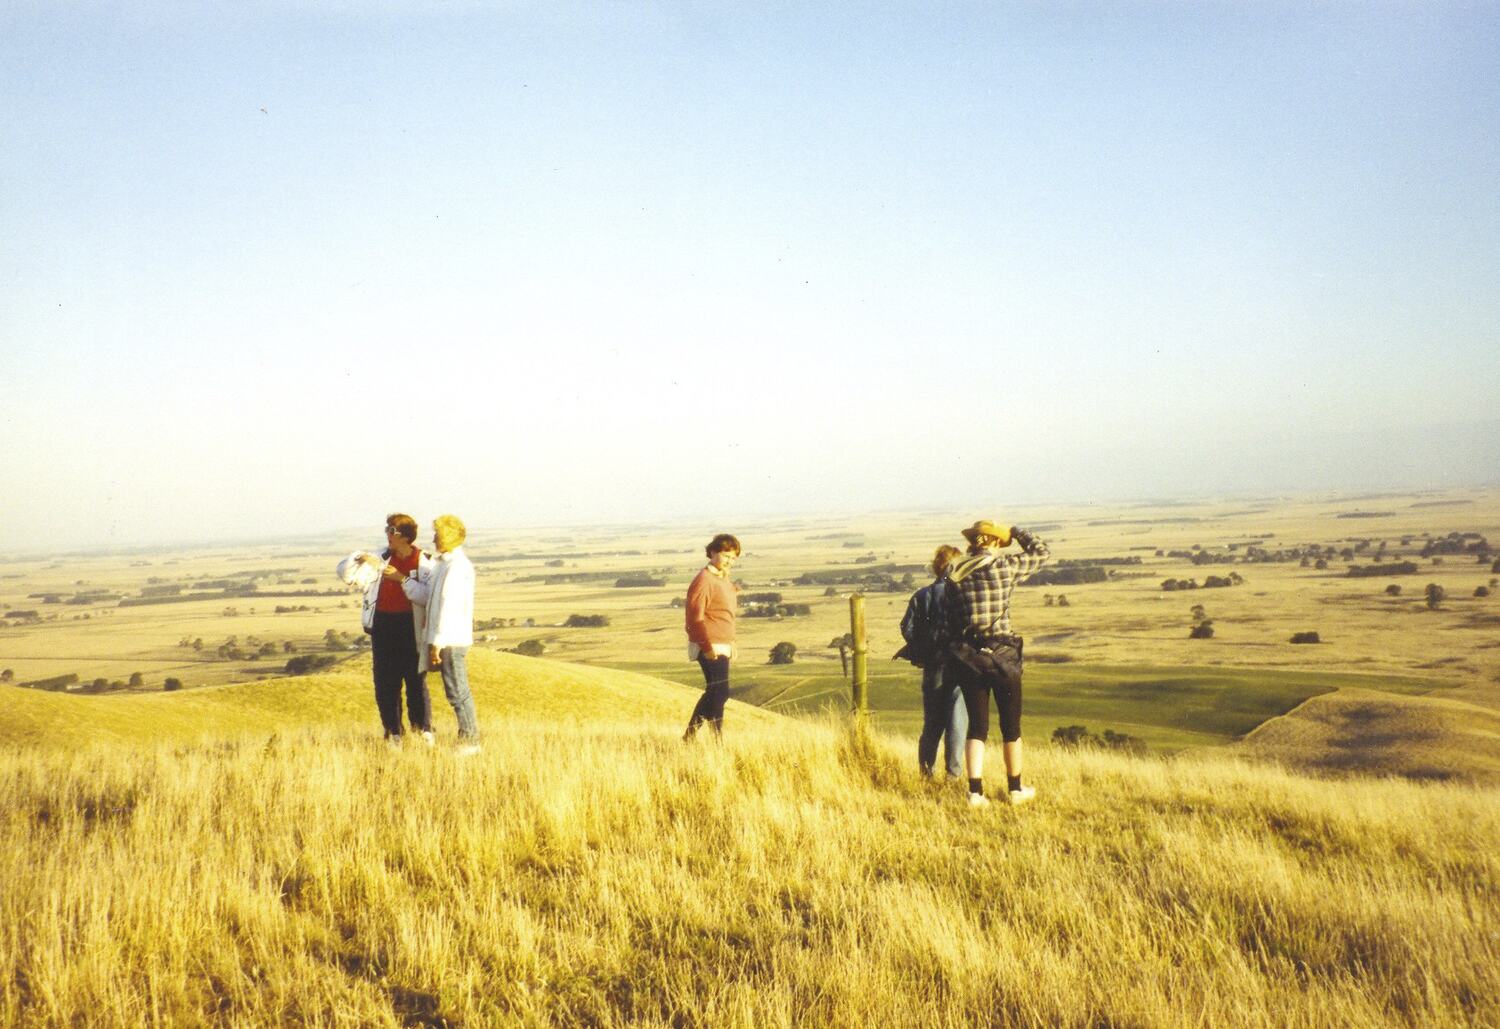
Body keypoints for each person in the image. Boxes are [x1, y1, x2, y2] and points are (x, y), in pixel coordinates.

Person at [944, 519, 1050, 807]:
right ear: (993, 541)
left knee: (976, 727)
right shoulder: (1005, 567)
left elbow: (951, 618)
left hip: (970, 658)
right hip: (1004, 656)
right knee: (1011, 727)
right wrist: (1018, 532)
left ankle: (975, 793)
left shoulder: (954, 571)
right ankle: (1015, 789)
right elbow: (1042, 552)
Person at [335, 514, 436, 747]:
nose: (388, 535)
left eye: (393, 531)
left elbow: (426, 597)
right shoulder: (378, 558)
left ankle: (423, 729)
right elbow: (346, 575)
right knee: (385, 682)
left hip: (411, 626)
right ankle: (393, 732)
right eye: (387, 530)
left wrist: (402, 579)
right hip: (383, 625)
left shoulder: (425, 562)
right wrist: (359, 557)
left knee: (415, 680)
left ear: (407, 537)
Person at [396, 514, 480, 755]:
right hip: (446, 638)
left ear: (446, 537)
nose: (433, 538)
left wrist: (437, 643)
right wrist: (403, 580)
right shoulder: (444, 565)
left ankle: (470, 740)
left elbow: (448, 606)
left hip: (451, 639)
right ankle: (467, 738)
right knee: (455, 690)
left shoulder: (456, 567)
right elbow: (426, 597)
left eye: (437, 534)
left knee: (457, 691)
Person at [897, 544, 967, 779]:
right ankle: (953, 775)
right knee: (957, 722)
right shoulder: (963, 594)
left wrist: (923, 649)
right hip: (960, 664)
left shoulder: (921, 595)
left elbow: (906, 628)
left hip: (933, 667)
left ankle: (926, 773)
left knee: (932, 724)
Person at [682, 533, 741, 740]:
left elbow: (725, 614)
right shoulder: (704, 580)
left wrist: (731, 642)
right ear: (713, 552)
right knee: (720, 692)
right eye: (726, 555)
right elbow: (695, 618)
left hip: (722, 643)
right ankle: (714, 739)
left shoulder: (721, 578)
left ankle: (691, 737)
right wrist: (706, 646)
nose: (730, 561)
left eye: (734, 558)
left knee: (715, 692)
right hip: (710, 643)